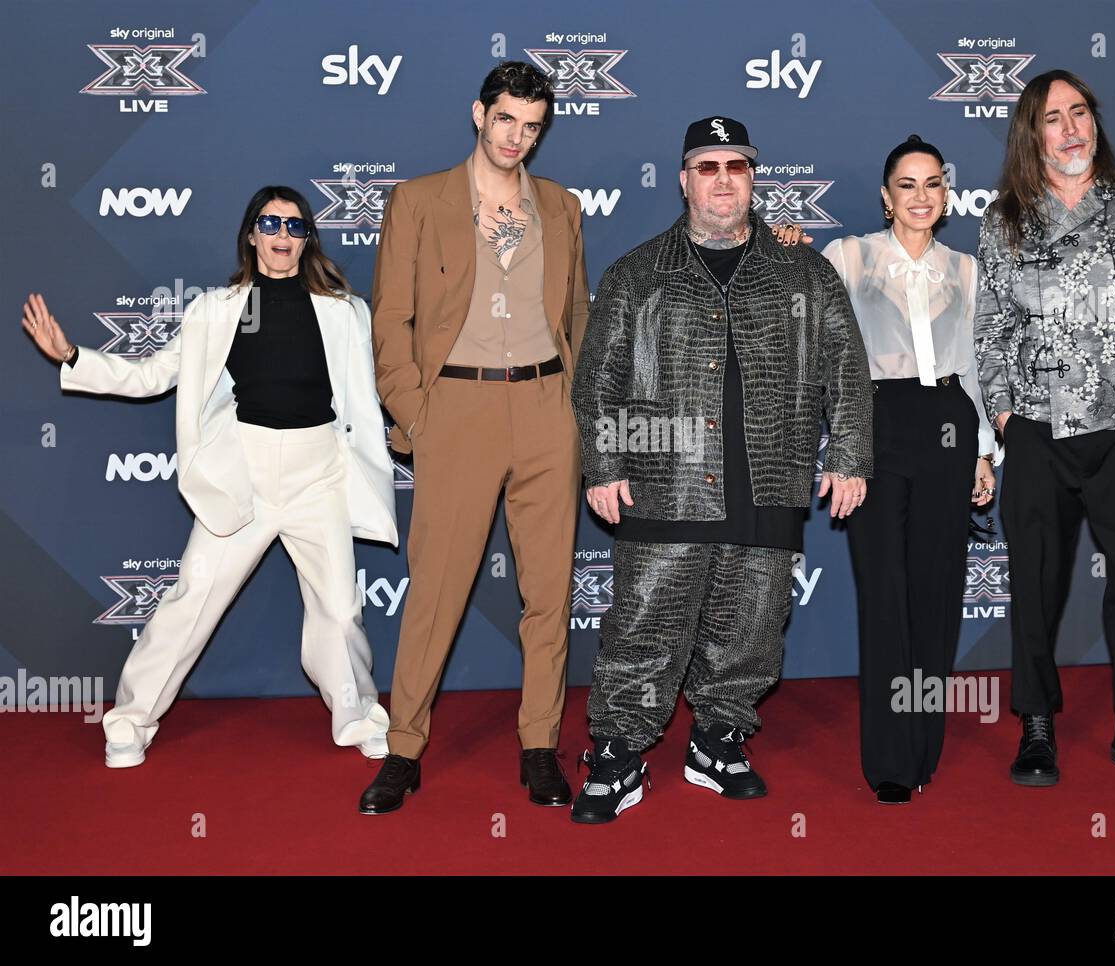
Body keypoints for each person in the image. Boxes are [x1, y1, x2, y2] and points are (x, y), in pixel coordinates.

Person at [20, 185, 397, 768]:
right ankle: (130, 721)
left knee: (339, 607)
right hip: (242, 474)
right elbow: (152, 375)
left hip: (319, 471)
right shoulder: (220, 309)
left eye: (295, 228)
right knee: (191, 599)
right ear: (251, 234)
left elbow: (371, 392)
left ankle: (356, 713)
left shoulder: (344, 311)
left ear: (307, 240)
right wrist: (73, 356)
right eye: (271, 225)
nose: (282, 238)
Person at [568, 116, 872, 824]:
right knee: (643, 624)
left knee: (753, 624)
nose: (723, 180)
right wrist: (604, 464)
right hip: (662, 477)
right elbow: (597, 382)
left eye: (736, 166)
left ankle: (719, 740)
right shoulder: (637, 273)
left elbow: (847, 371)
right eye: (708, 167)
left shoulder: (805, 269)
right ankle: (617, 753)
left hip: (771, 474)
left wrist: (851, 455)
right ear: (684, 180)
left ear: (752, 178)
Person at [360, 62, 590, 814]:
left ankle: (538, 746)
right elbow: (390, 317)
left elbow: (577, 318)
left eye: (531, 126)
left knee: (549, 594)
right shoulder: (419, 200)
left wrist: (577, 410)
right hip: (456, 408)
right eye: (505, 121)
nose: (516, 137)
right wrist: (416, 413)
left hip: (547, 406)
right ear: (478, 115)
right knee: (435, 590)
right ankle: (403, 749)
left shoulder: (561, 207)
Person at [973, 70, 1115, 786]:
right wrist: (1005, 415)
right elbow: (993, 328)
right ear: (1031, 134)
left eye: (1081, 113)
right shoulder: (1006, 218)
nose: (1072, 128)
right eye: (1054, 118)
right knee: (1035, 584)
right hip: (1039, 427)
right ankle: (1036, 725)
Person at [823, 135, 996, 805]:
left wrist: (984, 450)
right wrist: (841, 450)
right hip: (874, 423)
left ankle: (925, 746)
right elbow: (824, 353)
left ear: (945, 195)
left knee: (936, 595)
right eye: (907, 184)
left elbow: (979, 369)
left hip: (949, 427)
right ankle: (891, 760)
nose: (920, 197)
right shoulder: (851, 257)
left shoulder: (968, 269)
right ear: (885, 195)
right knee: (886, 596)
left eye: (932, 184)